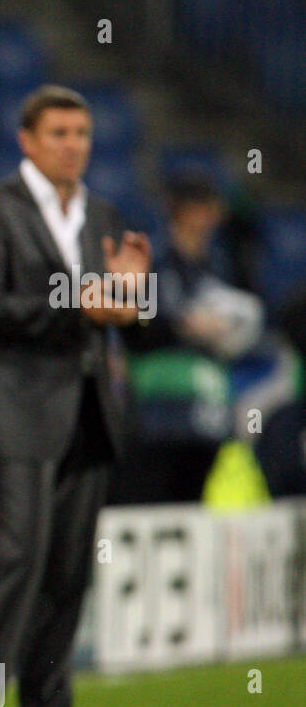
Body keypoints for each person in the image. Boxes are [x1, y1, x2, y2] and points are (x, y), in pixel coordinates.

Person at [0, 85, 150, 707]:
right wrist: (82, 306)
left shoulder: (103, 215)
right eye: (59, 133)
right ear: (27, 139)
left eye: (81, 133)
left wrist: (132, 305)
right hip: (22, 406)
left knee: (69, 567)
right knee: (18, 557)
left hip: (89, 408)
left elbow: (122, 312)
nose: (73, 144)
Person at [110, 172, 261, 505]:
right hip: (156, 410)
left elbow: (249, 317)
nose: (205, 217)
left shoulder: (220, 266)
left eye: (209, 208)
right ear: (177, 210)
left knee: (194, 505)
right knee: (149, 502)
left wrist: (226, 330)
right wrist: (181, 325)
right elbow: (133, 326)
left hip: (208, 408)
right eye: (197, 207)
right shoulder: (151, 262)